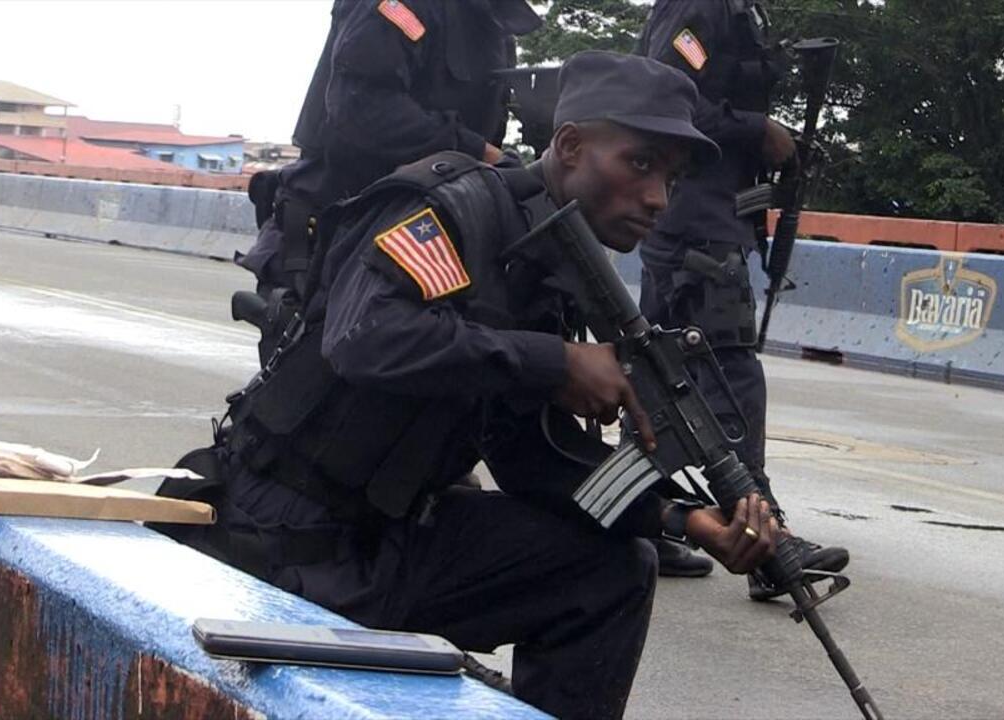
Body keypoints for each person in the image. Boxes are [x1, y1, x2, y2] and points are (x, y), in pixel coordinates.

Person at [169, 52, 785, 719]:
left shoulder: (549, 271)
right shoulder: (453, 209)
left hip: (388, 542)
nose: (658, 197)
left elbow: (528, 459)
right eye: (640, 163)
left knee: (614, 570)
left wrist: (678, 518)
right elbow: (365, 336)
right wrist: (555, 362)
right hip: (279, 536)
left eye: (672, 177)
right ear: (570, 146)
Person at [634, 0, 850, 590]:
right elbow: (665, 97)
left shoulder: (737, 10)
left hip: (707, 214)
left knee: (656, 375)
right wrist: (757, 130)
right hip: (692, 220)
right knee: (729, 371)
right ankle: (766, 543)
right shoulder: (699, 6)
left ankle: (644, 521)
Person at [240, 0, 542, 300]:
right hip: (346, 231)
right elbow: (361, 108)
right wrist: (476, 152)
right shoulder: (403, 6)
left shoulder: (495, 20)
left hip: (430, 233)